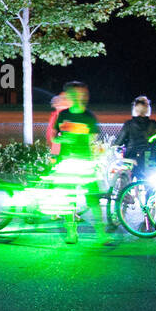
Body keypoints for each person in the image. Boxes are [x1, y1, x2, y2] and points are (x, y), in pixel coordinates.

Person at [49, 81, 108, 238]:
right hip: (66, 162)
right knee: (69, 198)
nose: (78, 96)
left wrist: (96, 159)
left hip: (86, 162)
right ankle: (71, 232)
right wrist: (61, 140)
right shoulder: (63, 115)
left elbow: (93, 141)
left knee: (93, 198)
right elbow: (53, 136)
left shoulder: (89, 117)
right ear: (69, 95)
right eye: (74, 94)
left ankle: (101, 234)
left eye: (81, 93)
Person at [114, 96, 156, 176]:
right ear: (148, 109)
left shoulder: (129, 124)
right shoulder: (154, 124)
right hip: (149, 160)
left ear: (135, 109)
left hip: (131, 160)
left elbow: (118, 143)